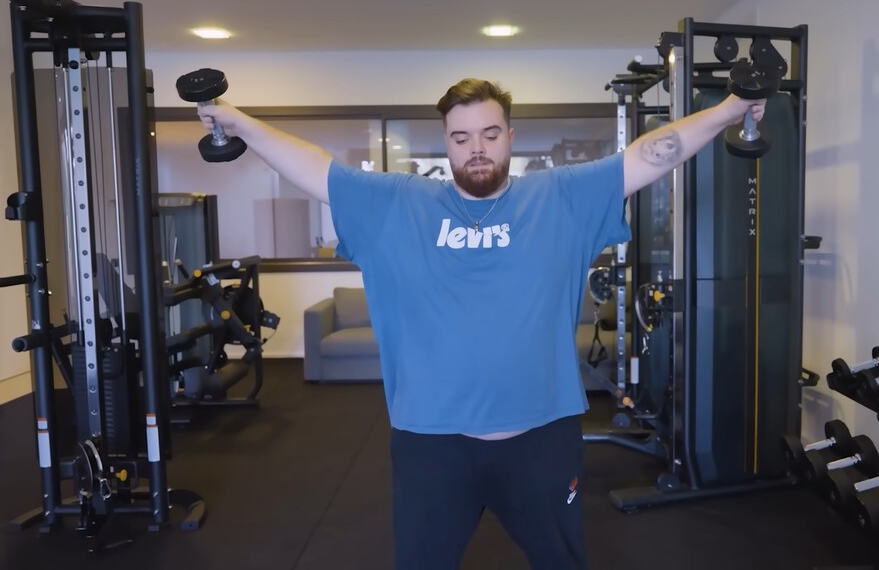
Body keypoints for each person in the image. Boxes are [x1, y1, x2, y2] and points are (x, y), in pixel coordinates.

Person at [196, 78, 764, 570]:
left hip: (541, 438)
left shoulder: (560, 196)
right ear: (446, 144)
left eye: (490, 134)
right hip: (432, 444)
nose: (477, 149)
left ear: (510, 137)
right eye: (461, 137)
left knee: (562, 563)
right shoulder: (400, 203)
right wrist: (241, 123)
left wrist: (729, 108)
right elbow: (317, 170)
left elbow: (651, 155)